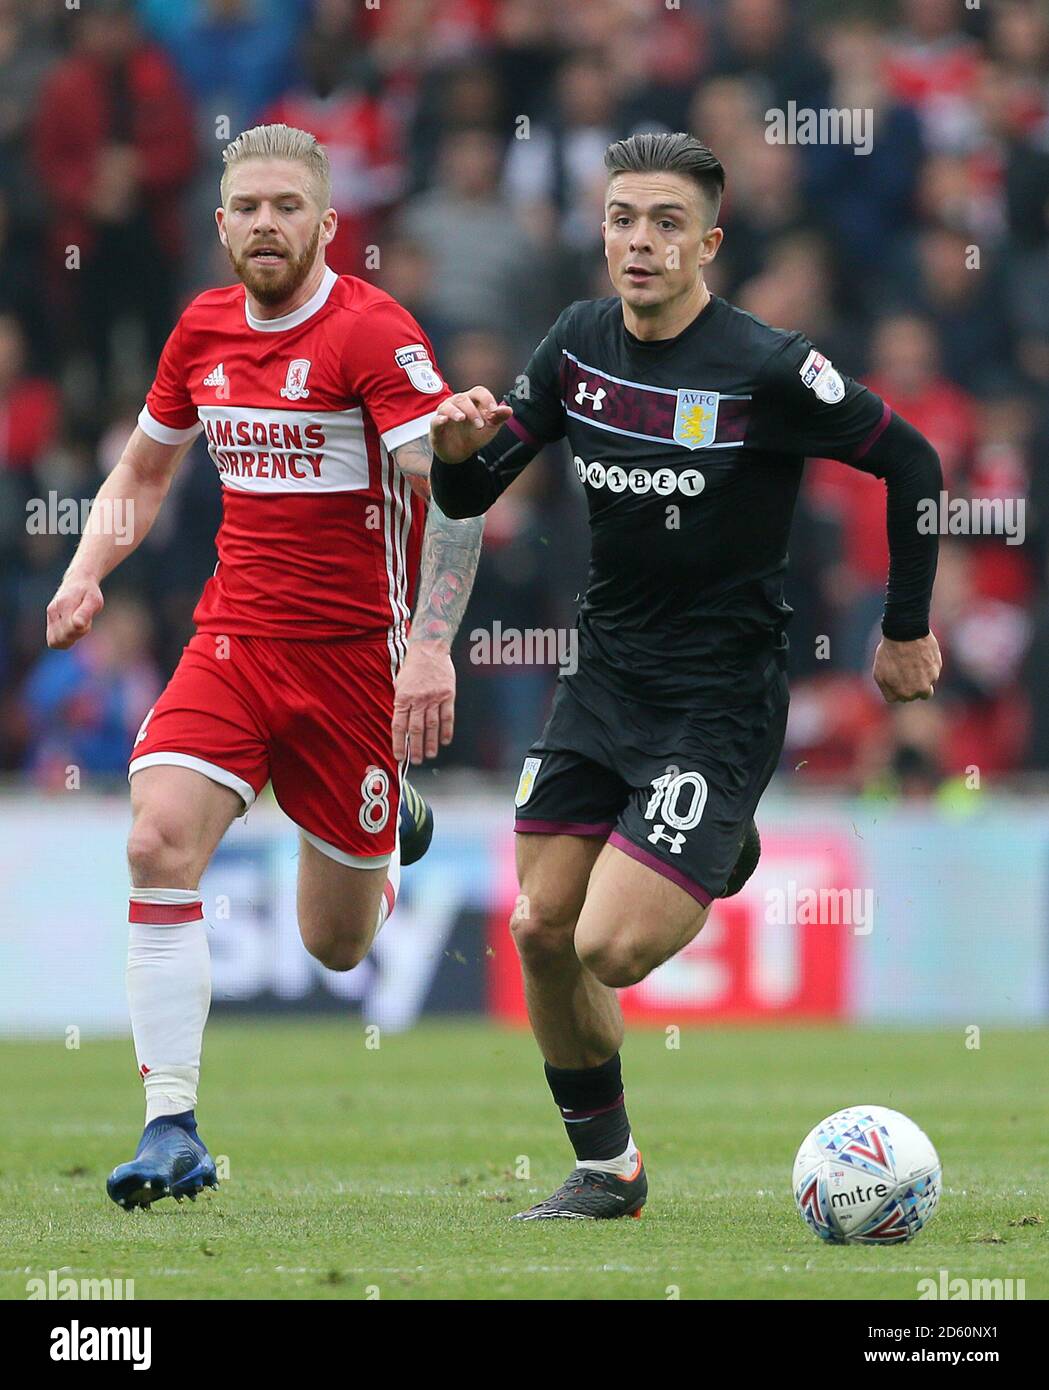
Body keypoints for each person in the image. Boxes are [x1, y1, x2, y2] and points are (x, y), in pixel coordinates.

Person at [429, 132, 943, 1219]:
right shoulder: (574, 344)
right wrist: (455, 447)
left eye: (665, 223)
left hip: (716, 698)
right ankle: (608, 1170)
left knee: (608, 947)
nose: (639, 242)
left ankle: (724, 836)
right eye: (621, 217)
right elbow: (474, 496)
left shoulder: (762, 366)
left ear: (707, 241)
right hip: (602, 680)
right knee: (535, 927)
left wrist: (901, 629)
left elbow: (911, 461)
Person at [44, 124, 484, 1210]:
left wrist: (426, 646)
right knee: (155, 839)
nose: (266, 224)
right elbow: (143, 473)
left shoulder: (372, 334)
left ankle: (391, 829)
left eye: (289, 206)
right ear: (221, 223)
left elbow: (447, 491)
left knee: (335, 947)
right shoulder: (199, 330)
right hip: (231, 641)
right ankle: (171, 1127)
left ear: (328, 226)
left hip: (349, 667)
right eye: (247, 207)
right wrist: (86, 566)